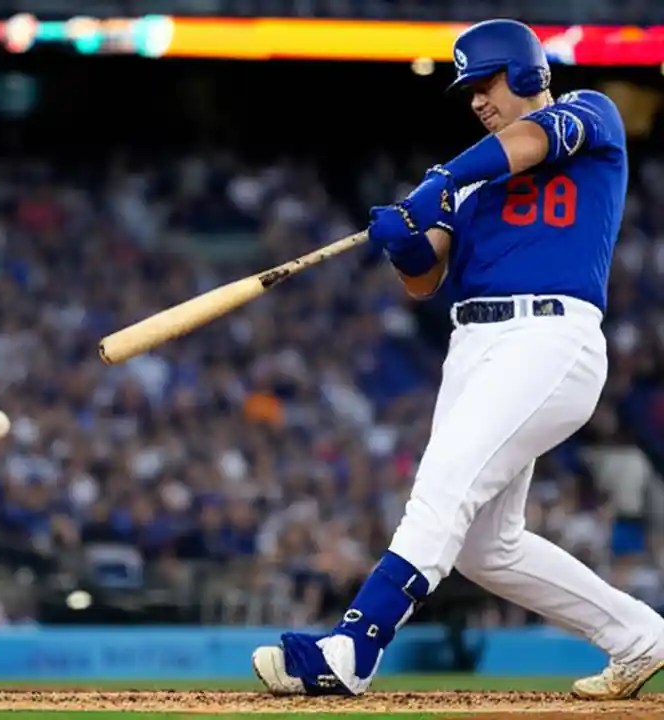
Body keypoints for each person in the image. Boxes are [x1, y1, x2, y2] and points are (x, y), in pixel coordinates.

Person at [252, 19, 664, 700]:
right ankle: (639, 637)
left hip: (548, 337)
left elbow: (526, 143)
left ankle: (354, 647)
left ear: (529, 74)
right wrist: (405, 239)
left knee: (443, 484)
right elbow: (424, 280)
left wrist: (438, 178)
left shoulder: (589, 113)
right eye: (468, 89)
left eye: (486, 82)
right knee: (485, 547)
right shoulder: (468, 183)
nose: (475, 99)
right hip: (473, 346)